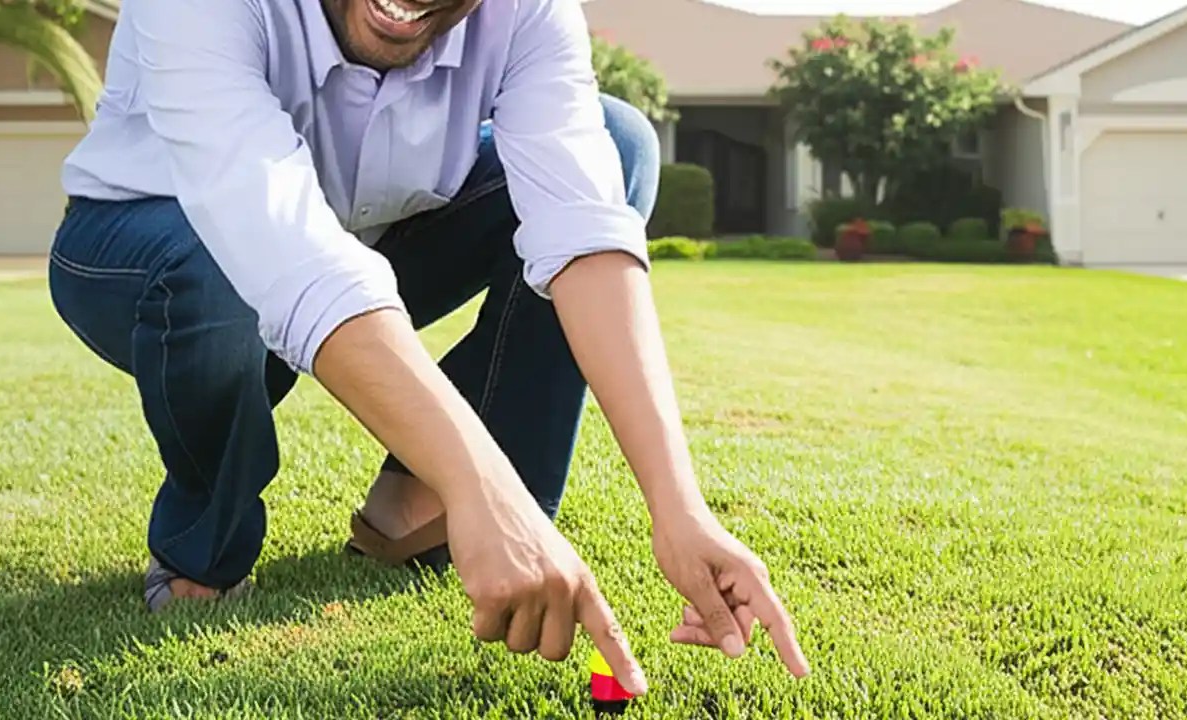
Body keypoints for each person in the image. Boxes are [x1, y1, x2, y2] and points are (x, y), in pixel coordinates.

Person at [48, 0, 809, 692]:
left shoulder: (529, 11)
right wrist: (488, 489)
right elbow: (278, 246)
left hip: (369, 241)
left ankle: (422, 500)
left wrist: (680, 509)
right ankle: (204, 545)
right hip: (149, 249)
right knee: (216, 267)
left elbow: (582, 232)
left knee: (618, 142)